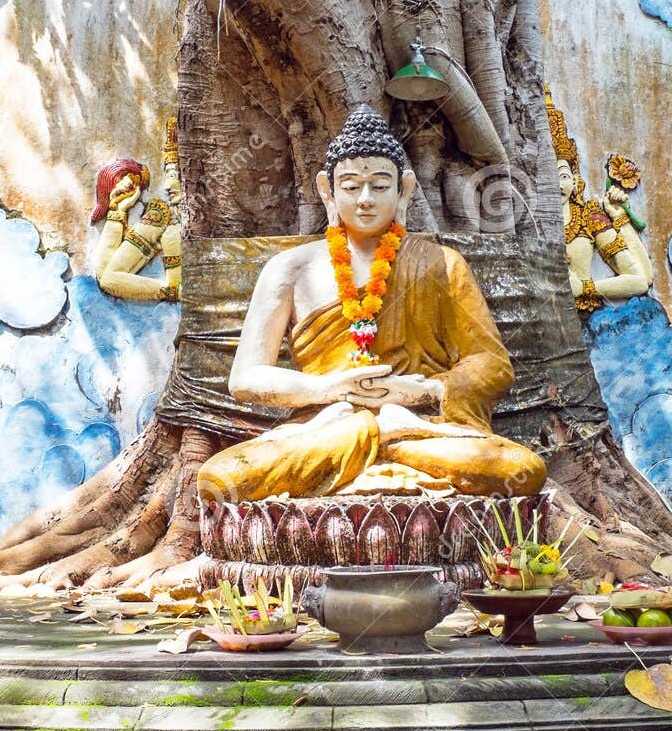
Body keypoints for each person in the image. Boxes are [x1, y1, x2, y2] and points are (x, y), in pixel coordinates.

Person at [196, 105, 547, 502]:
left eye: (380, 186)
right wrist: (329, 389)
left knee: (522, 469)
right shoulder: (290, 268)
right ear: (327, 190)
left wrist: (422, 392)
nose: (365, 199)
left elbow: (492, 365)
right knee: (219, 478)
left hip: (418, 419)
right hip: (326, 423)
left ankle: (388, 440)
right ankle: (379, 438)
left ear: (405, 190)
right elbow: (245, 379)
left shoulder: (442, 263)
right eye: (350, 186)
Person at [547, 89, 651, 310]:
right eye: (547, 176)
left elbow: (641, 279)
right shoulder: (524, 220)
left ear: (575, 181)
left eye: (563, 176)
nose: (556, 185)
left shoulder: (587, 216)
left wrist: (586, 288)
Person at [94, 119, 182, 302]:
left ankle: (173, 291)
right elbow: (105, 273)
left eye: (129, 186)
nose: (167, 185)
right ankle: (173, 291)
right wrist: (119, 210)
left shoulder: (161, 211)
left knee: (108, 280)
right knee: (106, 278)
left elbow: (108, 278)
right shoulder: (150, 211)